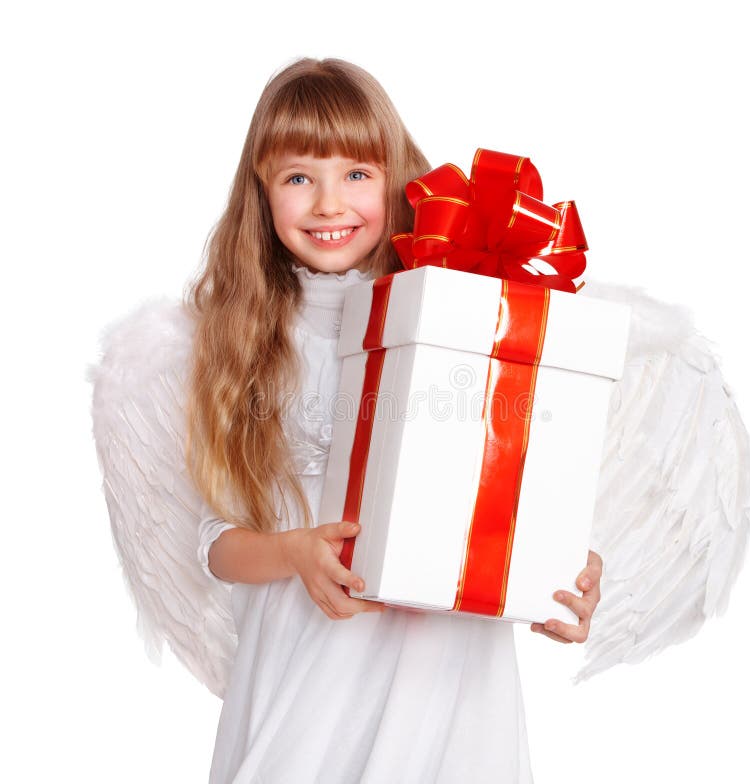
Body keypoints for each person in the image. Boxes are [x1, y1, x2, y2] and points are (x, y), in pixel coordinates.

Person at [182, 57, 602, 783]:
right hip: (308, 652)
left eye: (356, 174)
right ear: (261, 192)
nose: (326, 203)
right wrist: (292, 554)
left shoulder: (458, 313)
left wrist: (555, 566)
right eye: (296, 177)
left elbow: (512, 467)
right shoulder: (238, 337)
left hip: (443, 659)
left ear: (394, 178)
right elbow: (212, 543)